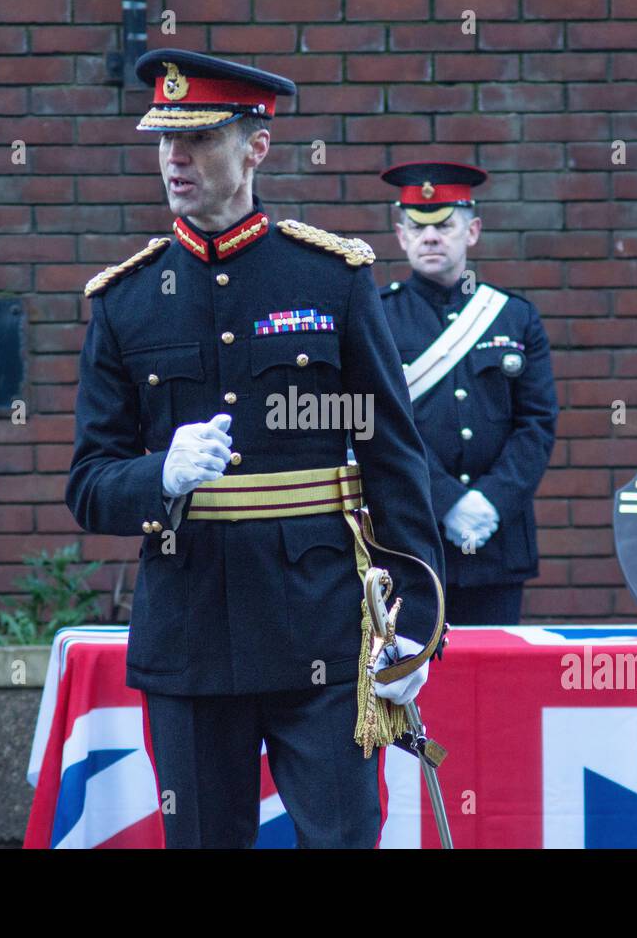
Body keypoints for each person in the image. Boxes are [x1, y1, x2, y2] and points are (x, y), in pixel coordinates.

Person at [66, 50, 446, 848]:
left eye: (199, 138)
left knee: (343, 837)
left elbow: (391, 455)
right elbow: (90, 483)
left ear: (256, 147)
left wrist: (417, 620)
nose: (176, 159)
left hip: (322, 623)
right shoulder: (124, 302)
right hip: (191, 622)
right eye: (164, 141)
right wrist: (157, 475)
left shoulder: (329, 279)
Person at [377, 161, 558, 626]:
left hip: (496, 540)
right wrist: (446, 502)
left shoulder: (514, 317)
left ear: (472, 231)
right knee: (408, 686)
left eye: (445, 226)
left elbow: (536, 425)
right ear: (401, 236)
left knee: (496, 686)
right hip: (412, 541)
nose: (430, 237)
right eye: (417, 227)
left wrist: (491, 501)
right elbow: (375, 426)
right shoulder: (378, 318)